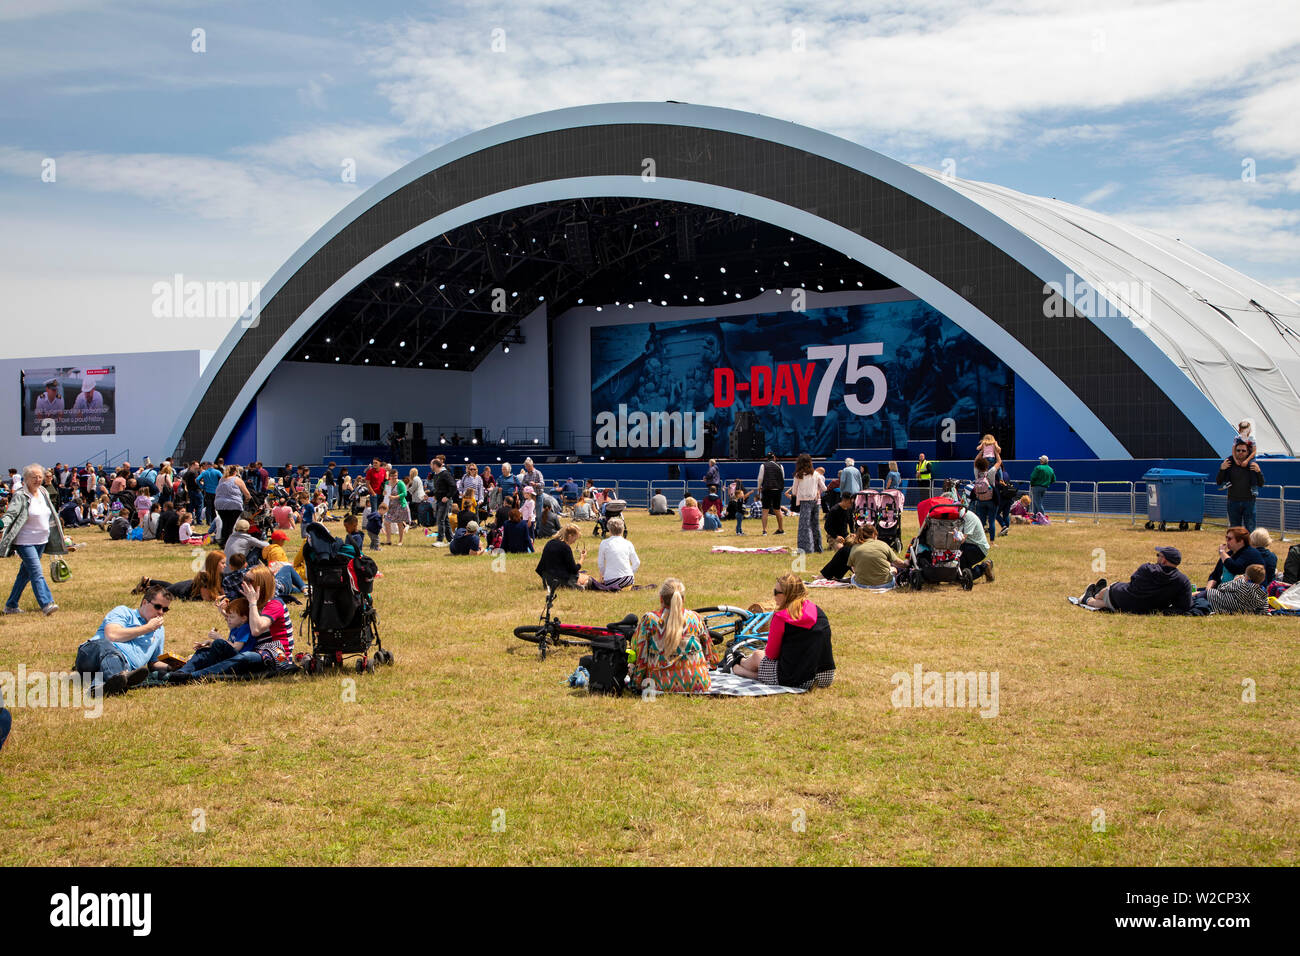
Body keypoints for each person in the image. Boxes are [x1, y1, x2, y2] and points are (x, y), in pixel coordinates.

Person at [731, 574, 835, 689]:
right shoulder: (817, 610)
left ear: (787, 595)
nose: (774, 596)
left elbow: (771, 655)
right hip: (825, 676)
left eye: (776, 592)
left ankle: (740, 666)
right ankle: (742, 664)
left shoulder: (781, 618)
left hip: (796, 680)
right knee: (767, 662)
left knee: (757, 655)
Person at [73, 585, 173, 695]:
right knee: (109, 649)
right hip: (93, 653)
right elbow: (112, 635)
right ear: (144, 602)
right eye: (158, 607)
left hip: (121, 665)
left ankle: (99, 688)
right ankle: (120, 679)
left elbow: (154, 662)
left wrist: (170, 666)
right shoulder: (124, 612)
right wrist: (147, 628)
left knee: (115, 662)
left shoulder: (159, 630)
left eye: (165, 609)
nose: (161, 612)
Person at [628, 579, 716, 693]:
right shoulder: (695, 618)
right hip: (698, 683)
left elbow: (639, 654)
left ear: (661, 599)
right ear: (683, 599)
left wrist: (636, 682)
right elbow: (712, 656)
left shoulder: (650, 620)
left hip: (658, 684)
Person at [1, 463, 66, 616]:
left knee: (25, 574)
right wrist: (2, 523)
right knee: (37, 572)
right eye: (34, 477)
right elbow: (11, 514)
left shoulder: (43, 492)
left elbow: (51, 515)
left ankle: (11, 605)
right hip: (25, 541)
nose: (37, 479)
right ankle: (47, 603)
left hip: (41, 541)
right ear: (26, 479)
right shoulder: (20, 495)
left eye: (40, 477)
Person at [167, 598, 265, 683]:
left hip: (238, 661)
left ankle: (201, 670)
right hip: (230, 656)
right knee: (202, 651)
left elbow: (236, 647)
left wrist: (219, 638)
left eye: (231, 617)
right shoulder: (236, 627)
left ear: (243, 618)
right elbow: (228, 643)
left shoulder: (245, 628)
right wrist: (210, 644)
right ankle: (181, 673)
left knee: (219, 643)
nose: (228, 619)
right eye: (228, 616)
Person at [1079, 546, 1193, 613]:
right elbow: (1185, 605)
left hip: (1123, 599)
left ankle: (1089, 598)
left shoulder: (1147, 568)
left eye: (1158, 555)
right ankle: (1097, 594)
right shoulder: (1183, 581)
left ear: (1164, 560)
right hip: (1146, 609)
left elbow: (1133, 583)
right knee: (1107, 603)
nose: (1157, 557)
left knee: (1110, 590)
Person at [239, 566, 297, 672]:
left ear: (260, 585)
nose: (244, 583)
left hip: (278, 657)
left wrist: (252, 602)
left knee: (243, 658)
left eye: (248, 580)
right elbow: (239, 634)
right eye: (244, 578)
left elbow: (256, 630)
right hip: (259, 652)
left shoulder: (274, 604)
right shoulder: (255, 605)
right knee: (217, 647)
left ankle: (200, 674)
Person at [1217, 439, 1264, 533]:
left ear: (1248, 452)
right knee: (1235, 530)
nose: (1240, 452)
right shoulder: (1228, 463)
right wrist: (1222, 469)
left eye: (1243, 450)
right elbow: (1219, 482)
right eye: (1238, 450)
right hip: (1233, 501)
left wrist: (1259, 472)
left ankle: (1251, 547)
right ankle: (1236, 547)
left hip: (1249, 501)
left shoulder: (1252, 465)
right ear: (1235, 451)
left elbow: (1261, 483)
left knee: (1250, 528)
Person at [847, 524, 908, 589]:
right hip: (885, 584)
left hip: (861, 585)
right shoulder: (883, 544)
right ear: (873, 534)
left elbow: (853, 568)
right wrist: (908, 565)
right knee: (894, 569)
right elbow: (898, 562)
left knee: (853, 576)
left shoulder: (854, 548)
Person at [591, 517, 639, 591]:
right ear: (622, 530)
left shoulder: (604, 543)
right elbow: (637, 562)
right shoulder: (628, 543)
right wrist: (630, 572)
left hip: (611, 579)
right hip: (628, 579)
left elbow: (601, 564)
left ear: (609, 530)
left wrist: (604, 575)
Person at [535, 524, 590, 589]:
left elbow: (540, 567)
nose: (574, 542)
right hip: (560, 581)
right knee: (588, 579)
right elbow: (574, 570)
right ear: (570, 536)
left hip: (547, 580)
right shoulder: (565, 547)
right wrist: (582, 558)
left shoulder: (550, 543)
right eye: (575, 538)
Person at [1198, 564, 1269, 614]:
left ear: (1246, 577)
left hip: (1213, 599)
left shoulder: (1241, 583)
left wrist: (1235, 580)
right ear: (1262, 580)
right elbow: (1264, 610)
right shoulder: (1263, 593)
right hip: (1230, 609)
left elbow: (1221, 587)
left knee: (1198, 595)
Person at [792, 453, 825, 554]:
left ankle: (806, 549)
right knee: (815, 524)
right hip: (815, 501)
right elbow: (824, 488)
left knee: (804, 526)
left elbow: (794, 491)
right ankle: (818, 548)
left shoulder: (798, 475)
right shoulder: (816, 474)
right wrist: (817, 491)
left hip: (805, 501)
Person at [213, 465, 249, 548]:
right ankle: (228, 542)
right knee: (231, 524)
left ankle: (223, 541)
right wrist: (248, 499)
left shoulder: (221, 479)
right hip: (233, 504)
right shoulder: (237, 480)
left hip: (219, 504)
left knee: (225, 523)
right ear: (236, 472)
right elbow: (247, 493)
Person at [757, 453, 786, 535]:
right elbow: (782, 477)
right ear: (774, 458)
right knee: (777, 509)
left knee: (765, 510)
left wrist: (759, 487)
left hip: (767, 489)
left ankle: (764, 531)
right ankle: (780, 529)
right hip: (777, 489)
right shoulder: (780, 466)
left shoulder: (763, 465)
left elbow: (760, 478)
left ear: (767, 458)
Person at [430, 459, 457, 546]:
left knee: (440, 519)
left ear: (435, 465)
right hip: (439, 500)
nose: (430, 466)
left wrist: (447, 497)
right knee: (445, 520)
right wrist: (429, 494)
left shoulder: (445, 474)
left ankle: (440, 540)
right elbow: (438, 489)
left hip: (445, 501)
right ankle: (451, 540)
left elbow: (453, 486)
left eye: (431, 464)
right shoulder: (436, 475)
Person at [382, 469, 408, 546]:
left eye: (395, 476)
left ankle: (400, 541)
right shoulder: (387, 483)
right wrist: (384, 493)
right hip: (390, 506)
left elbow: (405, 493)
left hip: (399, 505)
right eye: (392, 476)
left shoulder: (400, 483)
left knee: (399, 523)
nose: (394, 477)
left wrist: (395, 497)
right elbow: (385, 493)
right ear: (389, 476)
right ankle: (388, 540)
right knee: (386, 522)